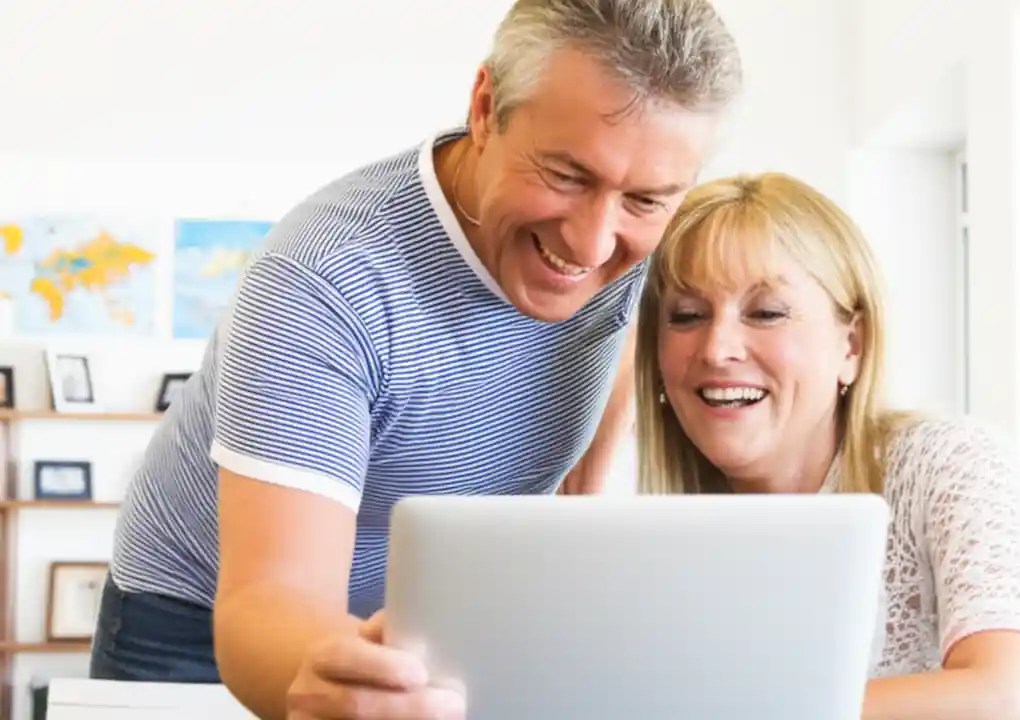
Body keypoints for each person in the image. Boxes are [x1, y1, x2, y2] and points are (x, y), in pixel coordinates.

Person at [89, 2, 742, 719]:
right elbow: (270, 602)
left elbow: (614, 332)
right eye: (565, 175)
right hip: (200, 619)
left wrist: (570, 538)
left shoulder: (632, 249)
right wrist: (355, 680)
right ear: (487, 107)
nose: (592, 248)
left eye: (645, 200)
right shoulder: (325, 278)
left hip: (432, 619)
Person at [634, 173, 1020, 719]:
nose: (717, 348)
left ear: (851, 345)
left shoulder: (947, 463)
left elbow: (1008, 698)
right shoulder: (648, 537)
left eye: (767, 313)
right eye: (687, 315)